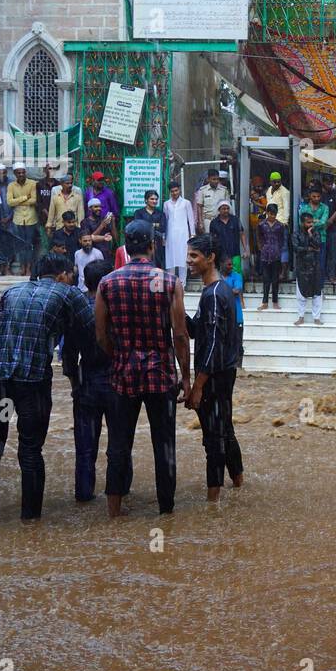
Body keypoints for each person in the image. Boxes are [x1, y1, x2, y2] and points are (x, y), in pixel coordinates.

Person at [0, 252, 93, 522]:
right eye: (71, 275)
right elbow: (92, 330)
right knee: (30, 449)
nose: (72, 279)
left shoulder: (12, 292)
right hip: (31, 382)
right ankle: (30, 522)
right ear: (62, 275)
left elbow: (3, 331)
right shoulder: (68, 294)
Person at [96, 220, 191, 518]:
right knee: (164, 444)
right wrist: (185, 376)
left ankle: (114, 508)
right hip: (160, 374)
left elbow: (101, 335)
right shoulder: (169, 282)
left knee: (119, 444)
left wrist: (121, 354)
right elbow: (179, 334)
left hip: (123, 375)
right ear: (152, 245)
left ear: (126, 246)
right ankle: (166, 510)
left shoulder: (107, 283)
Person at [186, 234, 243, 502]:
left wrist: (197, 386)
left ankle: (213, 502)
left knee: (213, 437)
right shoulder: (214, 291)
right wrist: (176, 314)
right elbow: (199, 331)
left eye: (194, 256)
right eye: (188, 255)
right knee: (225, 429)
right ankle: (238, 483)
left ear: (210, 259)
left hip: (215, 375)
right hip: (223, 371)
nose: (189, 261)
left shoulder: (215, 295)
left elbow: (213, 346)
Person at [62, 258, 115, 504]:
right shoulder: (117, 306)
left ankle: (84, 495)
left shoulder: (78, 308)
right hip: (117, 380)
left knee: (85, 447)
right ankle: (118, 492)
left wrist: (74, 382)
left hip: (87, 381)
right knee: (119, 443)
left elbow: (69, 352)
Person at [292, 211, 325, 326]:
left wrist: (311, 236)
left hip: (315, 266)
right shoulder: (296, 234)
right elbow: (296, 248)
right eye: (308, 222)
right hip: (302, 267)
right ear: (302, 223)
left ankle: (317, 317)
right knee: (300, 294)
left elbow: (318, 246)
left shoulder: (316, 233)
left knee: (317, 293)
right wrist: (309, 249)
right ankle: (301, 317)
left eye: (312, 222)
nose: (310, 225)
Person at [6, 162, 39, 276]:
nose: (21, 174)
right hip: (18, 218)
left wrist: (18, 201)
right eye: (18, 172)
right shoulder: (11, 186)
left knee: (29, 244)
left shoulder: (33, 184)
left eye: (23, 172)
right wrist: (25, 197)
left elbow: (34, 200)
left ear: (25, 172)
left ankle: (29, 268)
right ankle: (22, 267)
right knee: (20, 244)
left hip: (31, 218)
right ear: (15, 174)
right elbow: (10, 202)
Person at [163, 180, 195, 283]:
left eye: (176, 190)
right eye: (172, 191)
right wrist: (164, 236)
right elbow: (165, 220)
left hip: (183, 234)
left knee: (183, 258)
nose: (175, 193)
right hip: (171, 235)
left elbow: (191, 219)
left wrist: (192, 234)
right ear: (170, 192)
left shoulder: (186, 203)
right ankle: (170, 282)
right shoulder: (166, 204)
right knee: (170, 258)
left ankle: (182, 283)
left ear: (179, 190)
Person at [257, 203, 285, 310]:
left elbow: (282, 240)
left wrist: (278, 249)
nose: (273, 216)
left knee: (275, 279)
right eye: (271, 214)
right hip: (265, 255)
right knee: (265, 279)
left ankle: (275, 301)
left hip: (276, 255)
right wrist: (262, 248)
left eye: (275, 214)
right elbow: (258, 237)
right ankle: (264, 302)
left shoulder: (280, 226)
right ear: (267, 213)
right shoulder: (261, 225)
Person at [264, 171, 292, 277]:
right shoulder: (269, 190)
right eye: (274, 182)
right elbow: (268, 205)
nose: (277, 184)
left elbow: (286, 208)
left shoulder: (285, 192)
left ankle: (283, 272)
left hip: (280, 222)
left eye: (279, 182)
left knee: (283, 247)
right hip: (269, 222)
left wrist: (284, 222)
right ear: (270, 182)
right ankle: (274, 270)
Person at [132, 189, 168, 269]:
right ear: (146, 200)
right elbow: (138, 228)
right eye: (152, 199)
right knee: (143, 266)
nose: (154, 201)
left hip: (157, 245)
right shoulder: (139, 213)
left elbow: (162, 228)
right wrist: (155, 225)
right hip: (143, 244)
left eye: (156, 199)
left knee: (157, 267)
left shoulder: (161, 214)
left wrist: (147, 225)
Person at [222, 255, 244, 368]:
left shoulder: (237, 276)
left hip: (236, 316)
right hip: (223, 317)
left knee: (238, 343)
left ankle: (239, 366)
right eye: (229, 264)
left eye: (232, 264)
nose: (231, 267)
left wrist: (222, 292)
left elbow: (237, 290)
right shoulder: (218, 277)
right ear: (222, 265)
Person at [209, 200, 242, 273]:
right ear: (219, 210)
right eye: (224, 209)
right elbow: (212, 239)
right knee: (223, 276)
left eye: (227, 208)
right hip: (221, 255)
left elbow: (242, 233)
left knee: (237, 275)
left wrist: (246, 249)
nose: (226, 210)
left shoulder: (235, 220)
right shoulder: (214, 223)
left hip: (235, 253)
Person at [195, 167, 231, 233]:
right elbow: (199, 207)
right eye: (213, 179)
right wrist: (200, 222)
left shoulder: (224, 190)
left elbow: (227, 206)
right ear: (208, 179)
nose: (216, 181)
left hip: (221, 219)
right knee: (209, 240)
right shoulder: (202, 190)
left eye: (217, 179)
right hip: (208, 220)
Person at [80, 198, 115, 263]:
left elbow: (115, 237)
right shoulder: (85, 222)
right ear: (90, 208)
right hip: (92, 255)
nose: (99, 208)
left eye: (100, 207)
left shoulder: (104, 220)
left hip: (106, 254)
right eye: (96, 207)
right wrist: (102, 226)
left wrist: (113, 222)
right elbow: (89, 238)